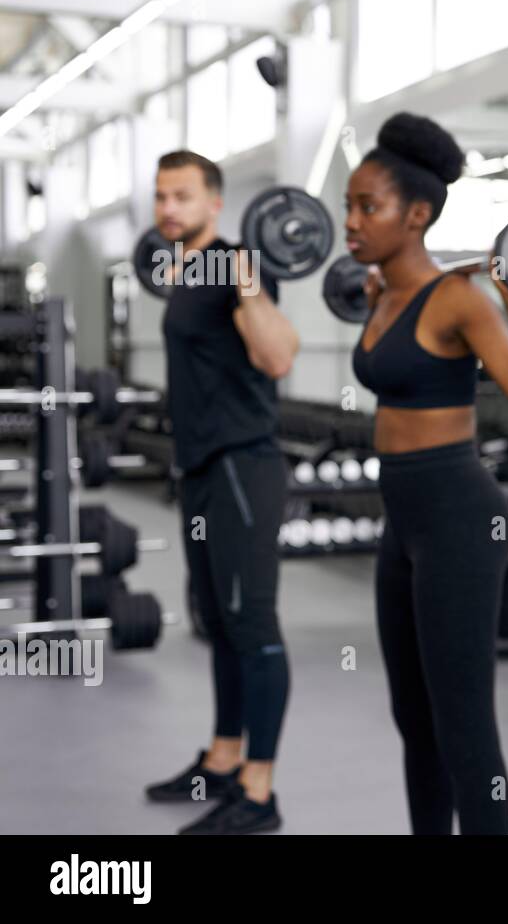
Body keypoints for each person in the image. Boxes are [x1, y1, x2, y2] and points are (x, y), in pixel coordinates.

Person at [346, 112, 508, 834]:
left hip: (459, 522)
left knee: (465, 729)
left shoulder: (460, 298)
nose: (350, 222)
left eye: (366, 207)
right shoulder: (382, 296)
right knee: (413, 721)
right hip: (401, 524)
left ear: (416, 215)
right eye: (348, 205)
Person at [143, 151, 300, 834]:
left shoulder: (238, 264)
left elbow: (279, 357)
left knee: (252, 624)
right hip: (200, 468)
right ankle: (222, 757)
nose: (167, 208)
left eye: (181, 195)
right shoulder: (181, 269)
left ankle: (259, 794)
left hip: (242, 466)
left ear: (214, 201)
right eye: (160, 196)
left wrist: (245, 284)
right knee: (219, 623)